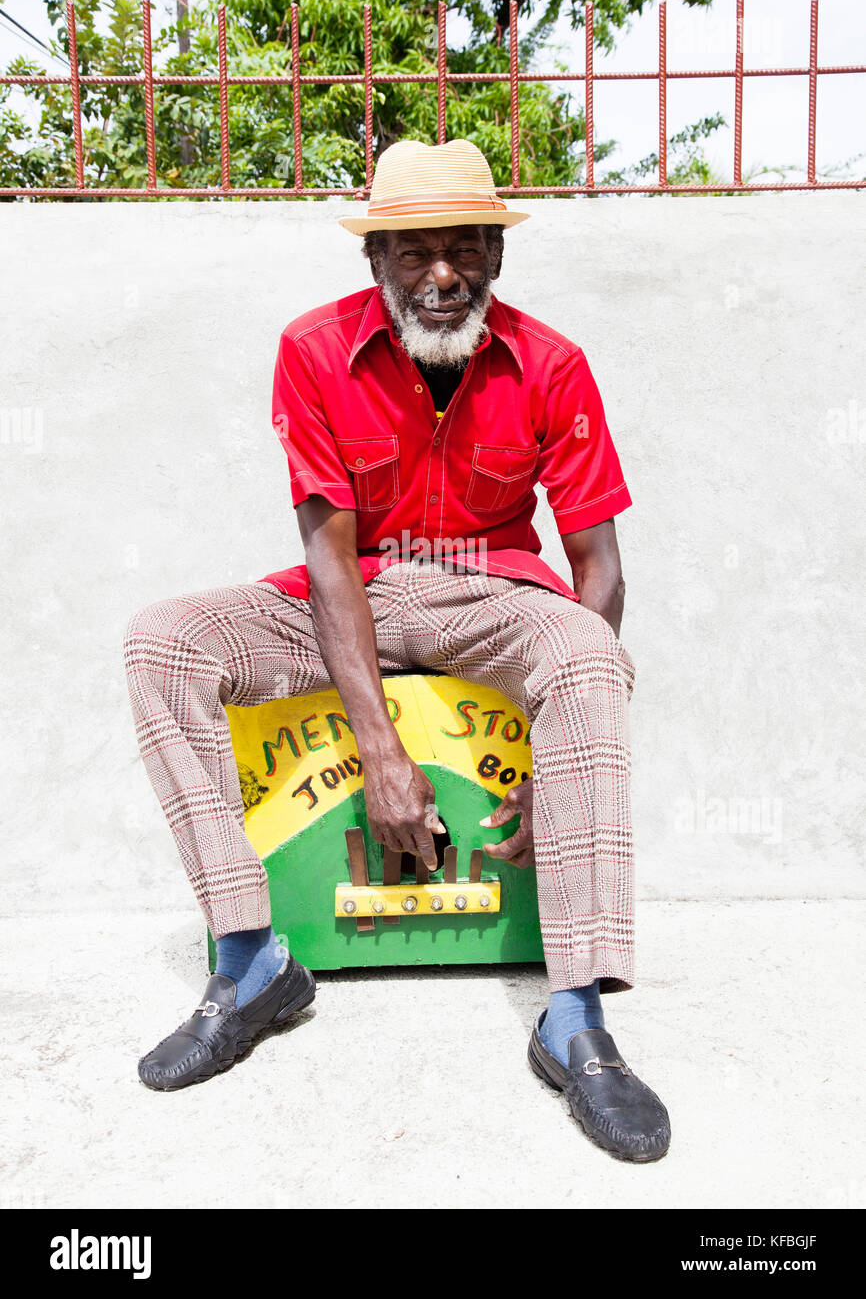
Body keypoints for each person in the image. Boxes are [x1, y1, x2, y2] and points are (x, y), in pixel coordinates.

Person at [123, 138, 670, 1163]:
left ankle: (575, 1014)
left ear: (495, 258)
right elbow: (327, 559)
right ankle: (249, 960)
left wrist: (553, 766)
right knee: (163, 641)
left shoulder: (552, 364)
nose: (441, 274)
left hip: (494, 592)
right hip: (353, 589)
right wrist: (381, 751)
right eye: (414, 251)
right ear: (374, 259)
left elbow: (599, 566)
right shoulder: (312, 349)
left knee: (591, 655)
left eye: (463, 248)